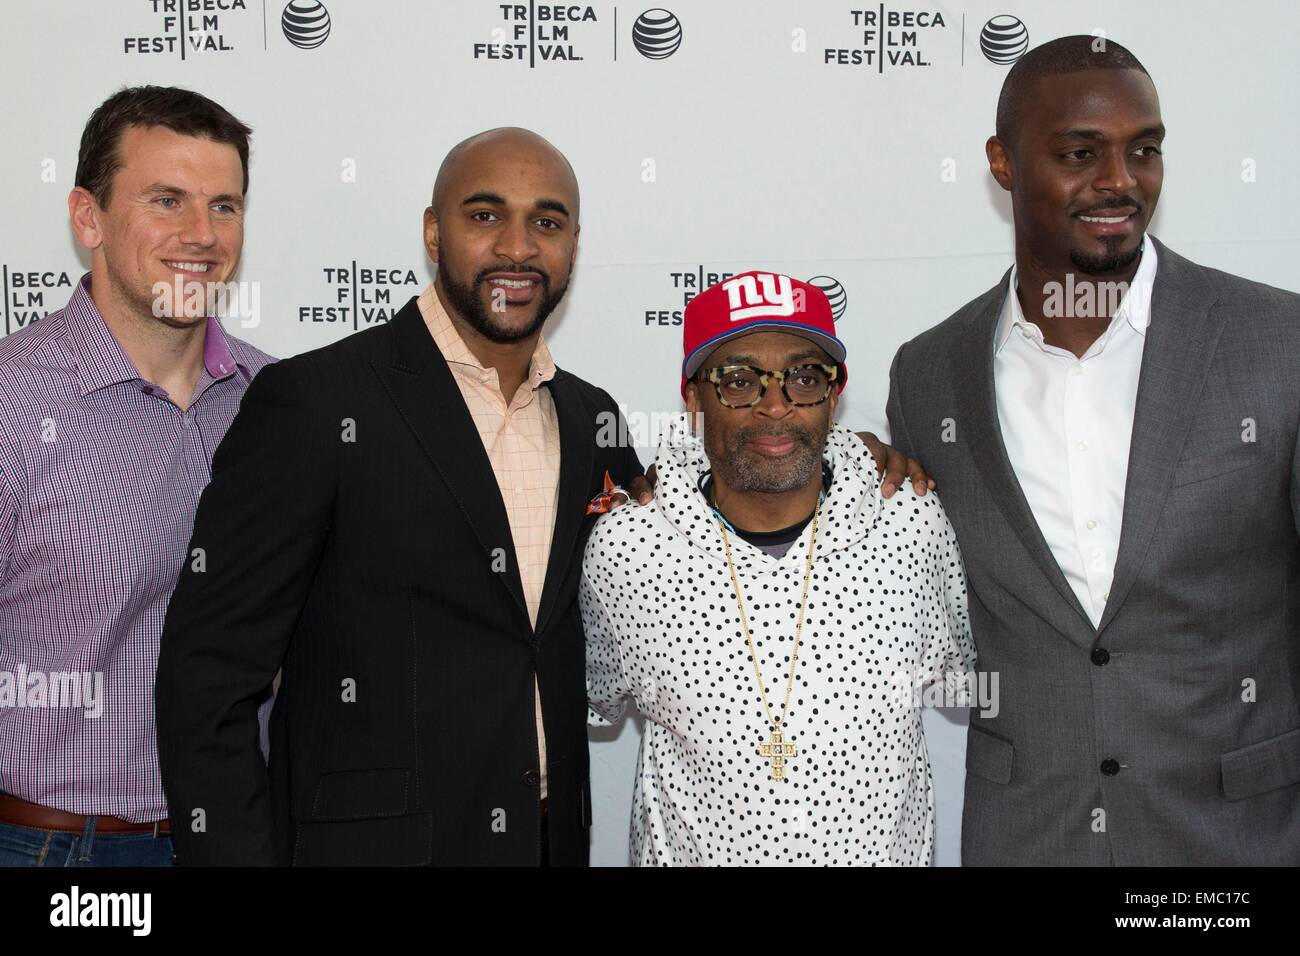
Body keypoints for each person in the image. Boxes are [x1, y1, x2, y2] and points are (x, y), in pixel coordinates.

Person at [156, 128, 928, 866]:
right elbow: (209, 681)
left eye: (546, 222)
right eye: (485, 214)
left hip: (549, 844)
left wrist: (841, 454)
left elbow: (700, 511)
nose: (518, 247)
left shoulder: (590, 419)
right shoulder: (318, 402)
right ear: (433, 232)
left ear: (573, 245)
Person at [886, 36, 1300, 864]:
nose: (1120, 181)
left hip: (1234, 838)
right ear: (1002, 164)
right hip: (1028, 833)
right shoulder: (930, 375)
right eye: (1081, 153)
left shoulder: (1276, 342)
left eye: (1144, 150)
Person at [582, 271, 974, 865]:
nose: (775, 404)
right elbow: (599, 696)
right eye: (738, 381)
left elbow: (956, 677)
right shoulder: (627, 547)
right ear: (692, 396)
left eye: (804, 377)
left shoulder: (911, 521)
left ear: (835, 394)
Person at [0, 86, 272, 867]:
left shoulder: (279, 403)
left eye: (225, 206)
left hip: (238, 839)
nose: (201, 235)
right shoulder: (14, 401)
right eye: (167, 200)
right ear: (88, 217)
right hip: (50, 848)